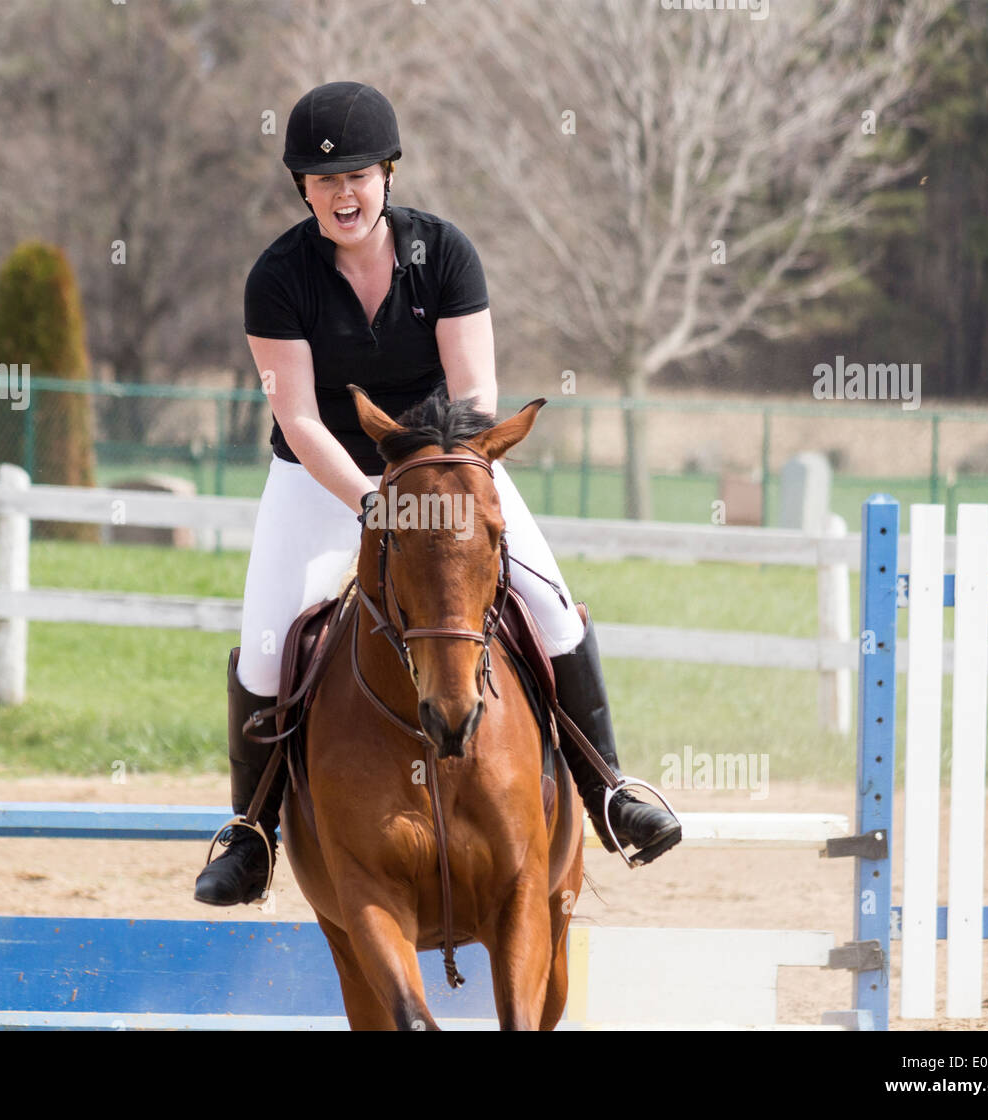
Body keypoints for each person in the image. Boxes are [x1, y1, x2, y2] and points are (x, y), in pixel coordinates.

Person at [194, 81, 680, 907]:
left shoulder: (445, 253)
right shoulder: (278, 278)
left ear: (388, 173)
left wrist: (434, 485)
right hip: (322, 479)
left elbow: (477, 393)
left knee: (550, 605)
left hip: (450, 466)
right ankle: (251, 832)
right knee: (271, 641)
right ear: (302, 189)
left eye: (358, 176)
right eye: (324, 181)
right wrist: (373, 504)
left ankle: (608, 792)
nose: (343, 194)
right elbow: (304, 422)